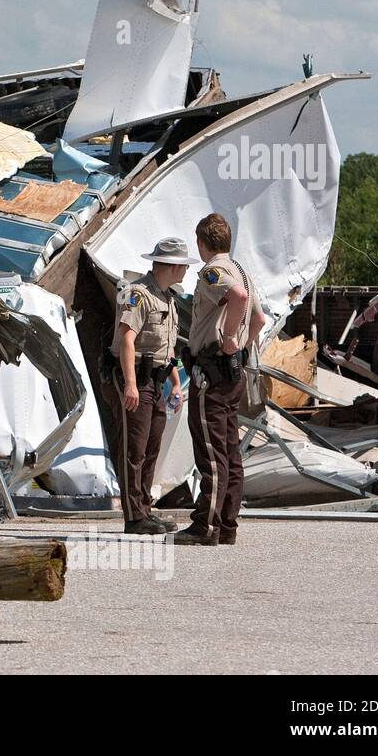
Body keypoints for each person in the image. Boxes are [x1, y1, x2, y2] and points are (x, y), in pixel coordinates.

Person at [176, 214, 267, 546]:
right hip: (232, 372)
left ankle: (205, 525)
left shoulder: (214, 272)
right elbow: (258, 317)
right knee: (229, 450)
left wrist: (229, 338)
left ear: (202, 243)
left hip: (212, 373)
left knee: (211, 450)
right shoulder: (242, 269)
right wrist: (241, 345)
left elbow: (239, 298)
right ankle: (227, 524)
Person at [101, 237, 195, 535]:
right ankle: (134, 516)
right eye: (181, 265)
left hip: (156, 380)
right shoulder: (138, 294)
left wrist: (176, 384)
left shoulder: (168, 297)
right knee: (134, 448)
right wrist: (130, 384)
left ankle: (145, 509)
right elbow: (127, 337)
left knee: (152, 445)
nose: (184, 270)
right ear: (169, 265)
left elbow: (167, 349)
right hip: (135, 379)